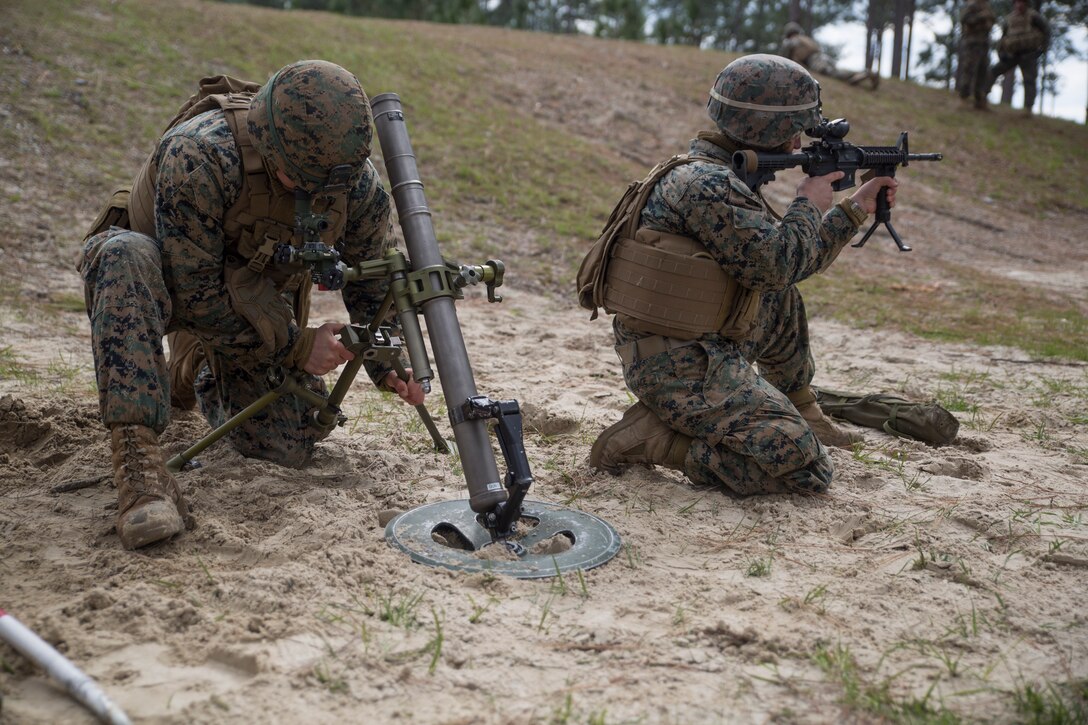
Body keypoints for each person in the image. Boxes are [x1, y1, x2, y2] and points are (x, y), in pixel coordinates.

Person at [78, 60, 425, 550]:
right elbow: (194, 292)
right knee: (122, 254)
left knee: (286, 446)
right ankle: (140, 474)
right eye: (299, 182)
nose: (313, 196)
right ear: (266, 143)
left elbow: (370, 285)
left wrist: (389, 363)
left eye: (324, 188)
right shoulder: (199, 154)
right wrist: (296, 345)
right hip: (163, 285)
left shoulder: (353, 183)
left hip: (252, 298)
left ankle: (193, 367)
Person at [583, 55, 898, 496]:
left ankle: (800, 405)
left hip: (695, 342)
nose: (797, 141)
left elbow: (786, 264)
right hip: (679, 364)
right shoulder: (707, 186)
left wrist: (854, 207)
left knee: (780, 295)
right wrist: (808, 202)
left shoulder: (716, 175)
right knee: (801, 468)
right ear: (768, 131)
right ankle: (656, 441)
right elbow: (777, 264)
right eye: (794, 129)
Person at [988, 0, 1051, 115]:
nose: (1019, 5)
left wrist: (1042, 50)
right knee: (994, 71)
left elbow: (1046, 31)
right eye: (1017, 2)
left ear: (1026, 4)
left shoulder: (1034, 17)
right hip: (1012, 54)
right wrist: (1001, 53)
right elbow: (1003, 37)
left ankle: (1028, 109)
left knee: (1029, 80)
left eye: (1022, 2)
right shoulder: (1009, 19)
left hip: (1028, 54)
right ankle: (981, 96)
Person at [781, 22, 878, 90]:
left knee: (830, 72)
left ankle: (864, 73)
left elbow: (784, 57)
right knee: (835, 70)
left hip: (814, 60)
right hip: (823, 57)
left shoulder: (791, 41)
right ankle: (856, 76)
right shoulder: (805, 39)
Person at [957, 0, 996, 109]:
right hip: (972, 43)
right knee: (969, 70)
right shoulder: (972, 5)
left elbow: (992, 21)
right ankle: (963, 98)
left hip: (984, 43)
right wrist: (981, 17)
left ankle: (980, 100)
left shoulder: (987, 6)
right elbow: (965, 19)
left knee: (982, 72)